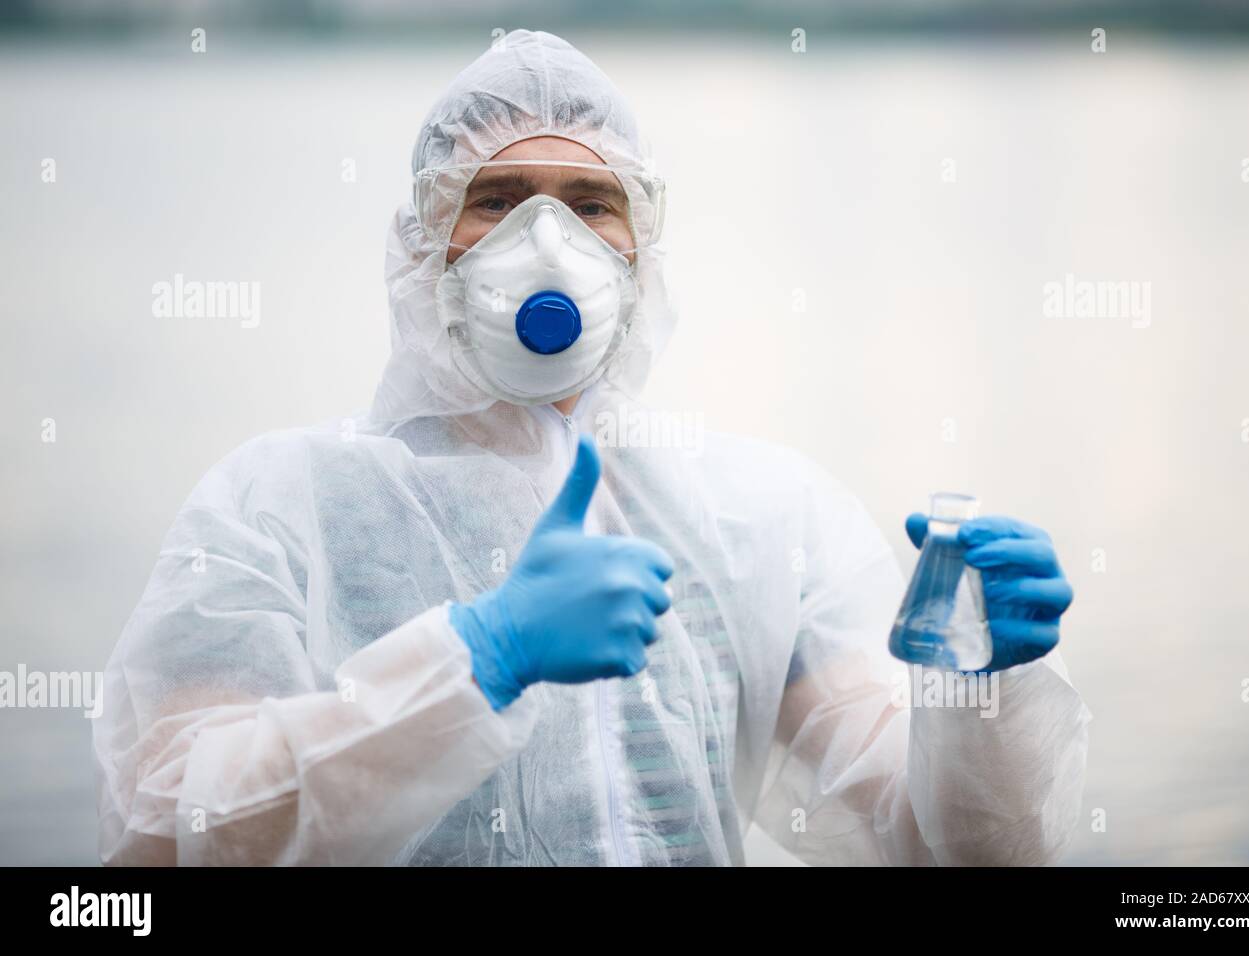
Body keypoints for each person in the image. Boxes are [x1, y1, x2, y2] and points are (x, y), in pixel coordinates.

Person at [94, 29, 1090, 866]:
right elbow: (162, 838)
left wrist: (974, 689)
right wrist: (472, 662)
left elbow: (934, 846)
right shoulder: (284, 503)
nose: (546, 238)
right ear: (424, 241)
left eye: (589, 202)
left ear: (639, 248)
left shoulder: (749, 519)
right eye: (499, 198)